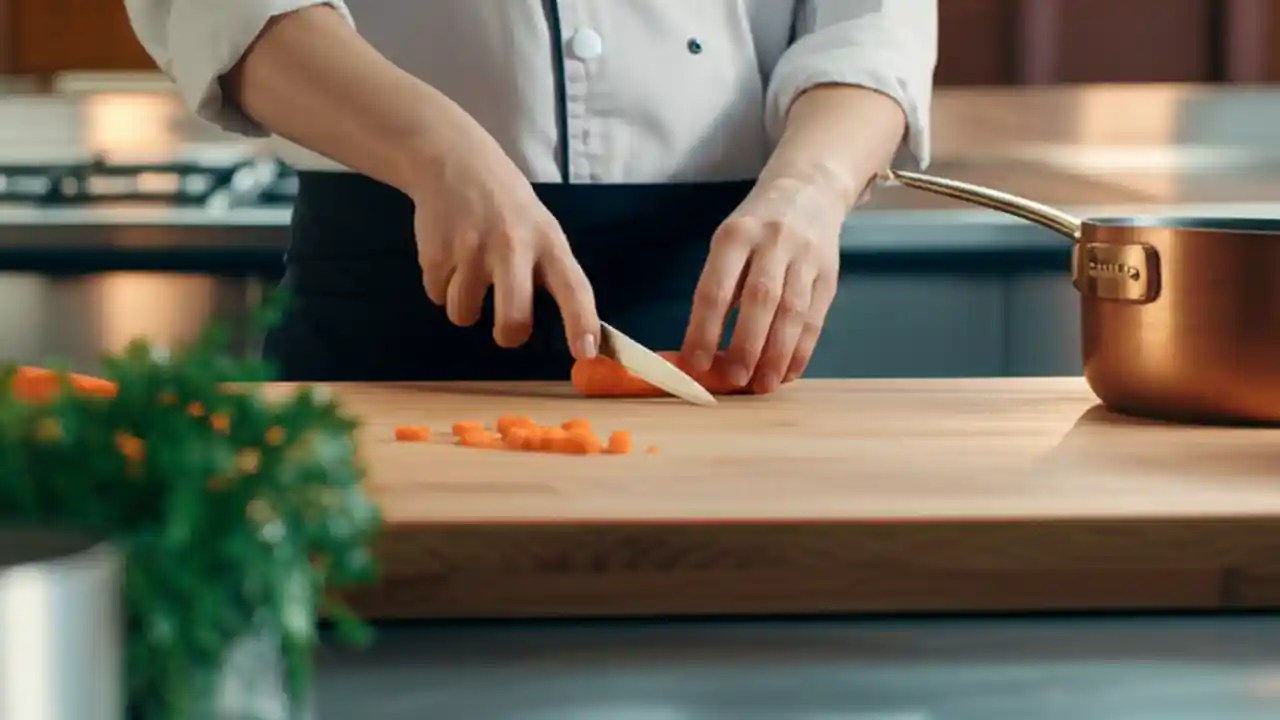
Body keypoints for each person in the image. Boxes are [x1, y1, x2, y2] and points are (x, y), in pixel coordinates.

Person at [124, 1, 936, 393]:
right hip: (385, 319)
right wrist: (437, 150)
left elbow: (871, 25)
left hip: (716, 327)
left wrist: (812, 183)